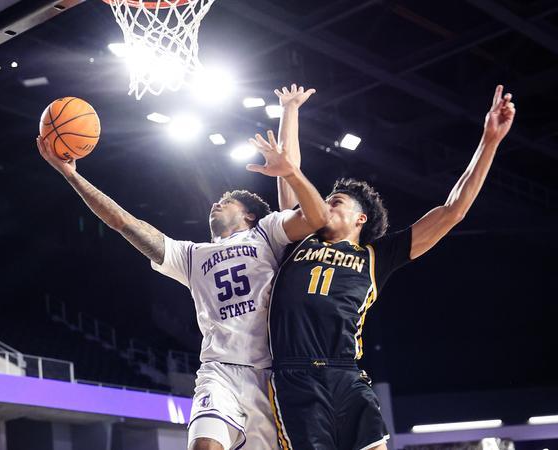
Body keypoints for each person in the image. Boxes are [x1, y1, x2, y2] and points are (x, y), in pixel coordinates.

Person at [36, 85, 322, 450]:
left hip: (271, 376)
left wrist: (289, 113)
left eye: (226, 201)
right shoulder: (192, 255)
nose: (215, 204)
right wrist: (71, 175)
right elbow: (125, 223)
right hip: (219, 372)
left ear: (249, 214)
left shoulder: (267, 236)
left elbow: (299, 204)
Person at [260, 85, 516, 450]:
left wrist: (489, 141)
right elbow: (290, 172)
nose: (325, 206)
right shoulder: (297, 238)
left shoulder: (377, 255)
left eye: (336, 201)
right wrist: (290, 110)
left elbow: (452, 210)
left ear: (360, 218)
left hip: (346, 373)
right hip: (294, 375)